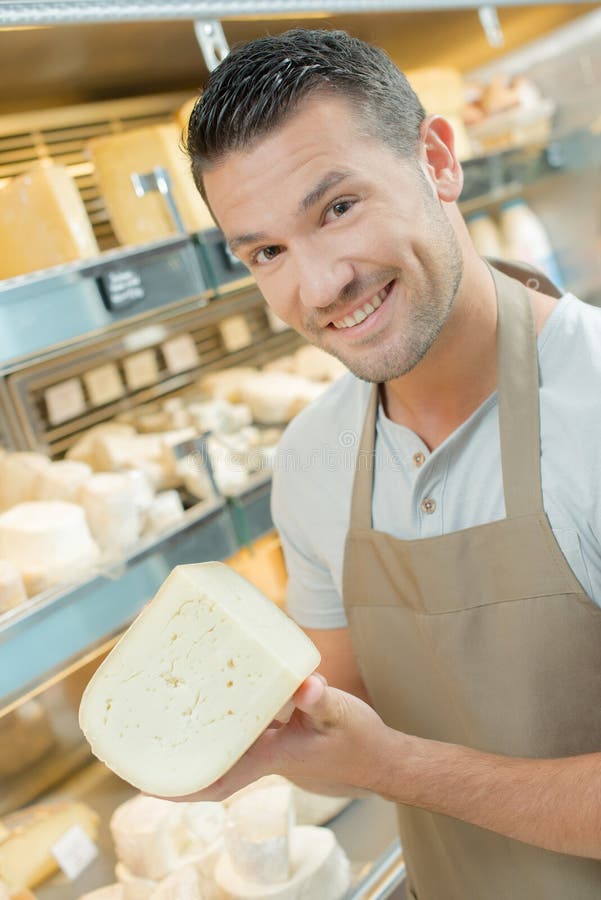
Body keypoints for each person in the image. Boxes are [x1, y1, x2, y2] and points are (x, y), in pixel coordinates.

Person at [183, 29, 601, 898]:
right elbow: (339, 735)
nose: (319, 283)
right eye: (266, 252)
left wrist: (399, 767)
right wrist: (253, 730)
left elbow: (384, 761)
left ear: (437, 161)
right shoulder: (311, 461)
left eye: (336, 208)